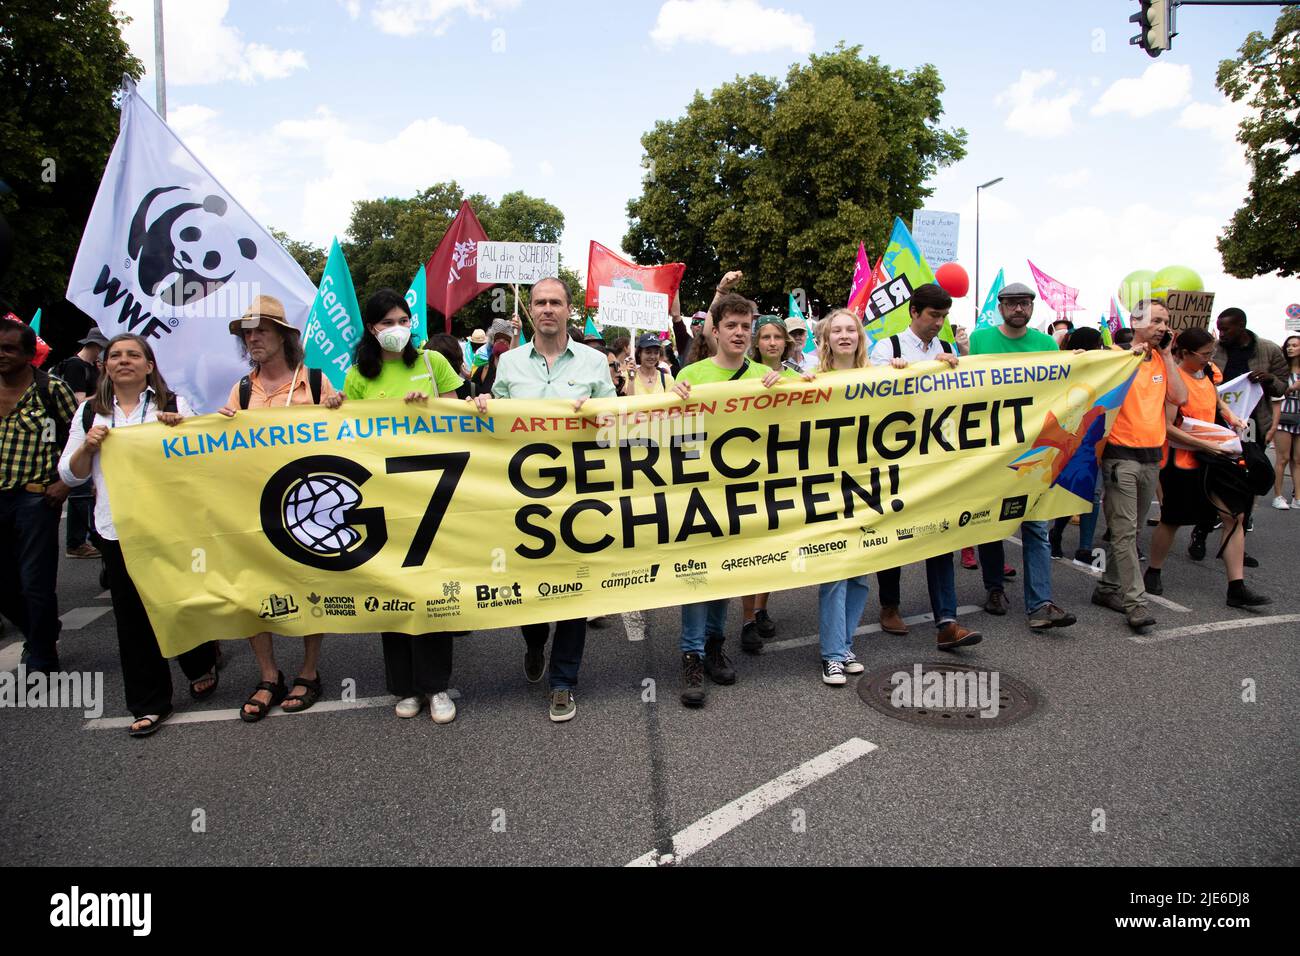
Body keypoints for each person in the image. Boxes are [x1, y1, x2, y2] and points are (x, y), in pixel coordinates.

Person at [471, 277, 617, 723]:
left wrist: (599, 416)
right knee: (530, 589)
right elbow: (493, 422)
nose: (548, 308)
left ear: (569, 309)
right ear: (530, 309)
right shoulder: (510, 363)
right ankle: (534, 640)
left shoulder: (594, 363)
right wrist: (480, 404)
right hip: (523, 498)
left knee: (574, 588)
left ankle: (562, 682)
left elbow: (614, 423)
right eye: (540, 302)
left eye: (556, 302)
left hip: (577, 495)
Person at [59, 333, 216, 736]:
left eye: (134, 355)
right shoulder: (89, 414)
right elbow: (70, 474)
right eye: (116, 355)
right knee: (131, 618)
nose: (124, 361)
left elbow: (203, 458)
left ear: (149, 365)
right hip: (116, 529)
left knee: (180, 602)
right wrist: (88, 449)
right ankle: (149, 702)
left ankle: (199, 660)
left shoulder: (172, 404)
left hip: (168, 526)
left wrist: (180, 431)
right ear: (104, 366)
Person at [217, 295, 345, 721]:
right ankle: (268, 674)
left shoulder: (316, 380)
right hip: (253, 504)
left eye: (261, 330)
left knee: (309, 583)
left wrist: (336, 411)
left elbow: (345, 440)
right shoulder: (240, 390)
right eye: (247, 332)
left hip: (307, 504)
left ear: (283, 336)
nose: (252, 338)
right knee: (255, 588)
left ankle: (309, 671)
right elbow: (213, 447)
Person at [346, 289, 463, 724]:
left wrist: (429, 407)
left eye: (403, 320)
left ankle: (436, 687)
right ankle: (406, 686)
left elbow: (461, 418)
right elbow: (351, 432)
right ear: (372, 329)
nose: (396, 329)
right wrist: (337, 407)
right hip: (383, 496)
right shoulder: (359, 374)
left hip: (432, 493)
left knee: (432, 589)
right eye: (387, 322)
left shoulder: (432, 364)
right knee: (392, 589)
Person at [671, 292, 784, 707]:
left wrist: (782, 388)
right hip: (701, 493)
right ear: (714, 331)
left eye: (745, 326)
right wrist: (674, 397)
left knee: (726, 575)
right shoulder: (692, 376)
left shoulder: (766, 375)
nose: (739, 333)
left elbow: (806, 414)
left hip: (743, 493)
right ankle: (692, 656)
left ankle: (716, 646)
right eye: (731, 326)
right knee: (698, 576)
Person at [868, 284, 982, 651]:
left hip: (937, 456)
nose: (939, 323)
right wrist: (898, 372)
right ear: (913, 312)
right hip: (897, 457)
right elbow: (869, 393)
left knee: (940, 535)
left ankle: (947, 621)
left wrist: (960, 363)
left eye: (944, 316)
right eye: (933, 315)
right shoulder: (888, 348)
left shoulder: (947, 350)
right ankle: (889, 605)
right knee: (894, 533)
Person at [967, 282, 1076, 632]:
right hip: (991, 448)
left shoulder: (1045, 344)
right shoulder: (980, 339)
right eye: (1012, 303)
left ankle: (1040, 603)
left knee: (1036, 526)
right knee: (990, 524)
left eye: (1025, 303)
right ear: (1001, 307)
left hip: (1034, 449)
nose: (1018, 309)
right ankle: (995, 588)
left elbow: (1060, 386)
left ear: (1032, 308)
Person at [1143, 328, 1266, 607]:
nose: (1210, 358)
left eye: (1212, 353)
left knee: (1235, 516)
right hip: (1182, 462)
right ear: (1184, 353)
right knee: (1172, 519)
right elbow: (1168, 429)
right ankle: (1154, 569)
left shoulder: (1207, 375)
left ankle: (1236, 586)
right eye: (1204, 354)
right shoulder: (1173, 381)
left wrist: (1231, 416)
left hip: (1214, 459)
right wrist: (1204, 445)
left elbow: (1216, 399)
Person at [1091, 299, 1188, 631]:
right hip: (1120, 457)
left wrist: (1170, 355)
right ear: (1135, 322)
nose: (1162, 327)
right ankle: (1135, 602)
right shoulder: (1116, 358)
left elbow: (1179, 397)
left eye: (1166, 322)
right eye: (1156, 321)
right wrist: (1127, 359)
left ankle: (1107, 589)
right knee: (1123, 532)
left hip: (1151, 459)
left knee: (1130, 531)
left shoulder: (1163, 360)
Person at [0, 318, 76, 672]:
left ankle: (42, 652)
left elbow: (76, 437)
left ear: (30, 354)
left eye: (9, 349)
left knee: (35, 581)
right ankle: (39, 628)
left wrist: (65, 483)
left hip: (35, 499)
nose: (1, 356)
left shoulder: (51, 390)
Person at [810, 308, 873, 684]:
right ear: (828, 338)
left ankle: (845, 644)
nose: (845, 335)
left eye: (851, 329)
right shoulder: (812, 379)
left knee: (861, 574)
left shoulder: (878, 377)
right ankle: (832, 654)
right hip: (828, 489)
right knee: (834, 572)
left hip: (868, 486)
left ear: (859, 337)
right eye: (838, 330)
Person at [1195, 307, 1289, 546]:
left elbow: (1282, 386)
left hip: (1252, 424)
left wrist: (1268, 379)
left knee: (1247, 481)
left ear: (1242, 326)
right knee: (1211, 478)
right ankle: (1202, 531)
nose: (1221, 333)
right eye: (1219, 328)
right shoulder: (1213, 350)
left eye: (1226, 328)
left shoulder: (1269, 350)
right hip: (1218, 423)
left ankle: (1238, 537)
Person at [1049, 327, 1106, 564]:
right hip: (1072, 438)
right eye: (1098, 344)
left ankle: (1084, 547)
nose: (1102, 348)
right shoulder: (1066, 368)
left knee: (1092, 493)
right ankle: (1057, 532)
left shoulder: (1107, 368)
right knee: (1070, 489)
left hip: (1097, 437)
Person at [53, 329, 109, 559]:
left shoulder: (88, 367)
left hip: (87, 426)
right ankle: (76, 542)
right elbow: (78, 400)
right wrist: (103, 394)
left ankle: (84, 539)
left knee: (88, 491)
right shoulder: (76, 366)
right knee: (80, 490)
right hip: (81, 429)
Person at [1268, 334, 1300, 509]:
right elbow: (1275, 392)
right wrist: (1291, 388)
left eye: (1295, 345)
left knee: (1298, 459)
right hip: (1283, 416)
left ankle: (1298, 497)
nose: (1290, 348)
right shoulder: (1282, 369)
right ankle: (1278, 495)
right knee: (1283, 458)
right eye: (1289, 345)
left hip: (1299, 417)